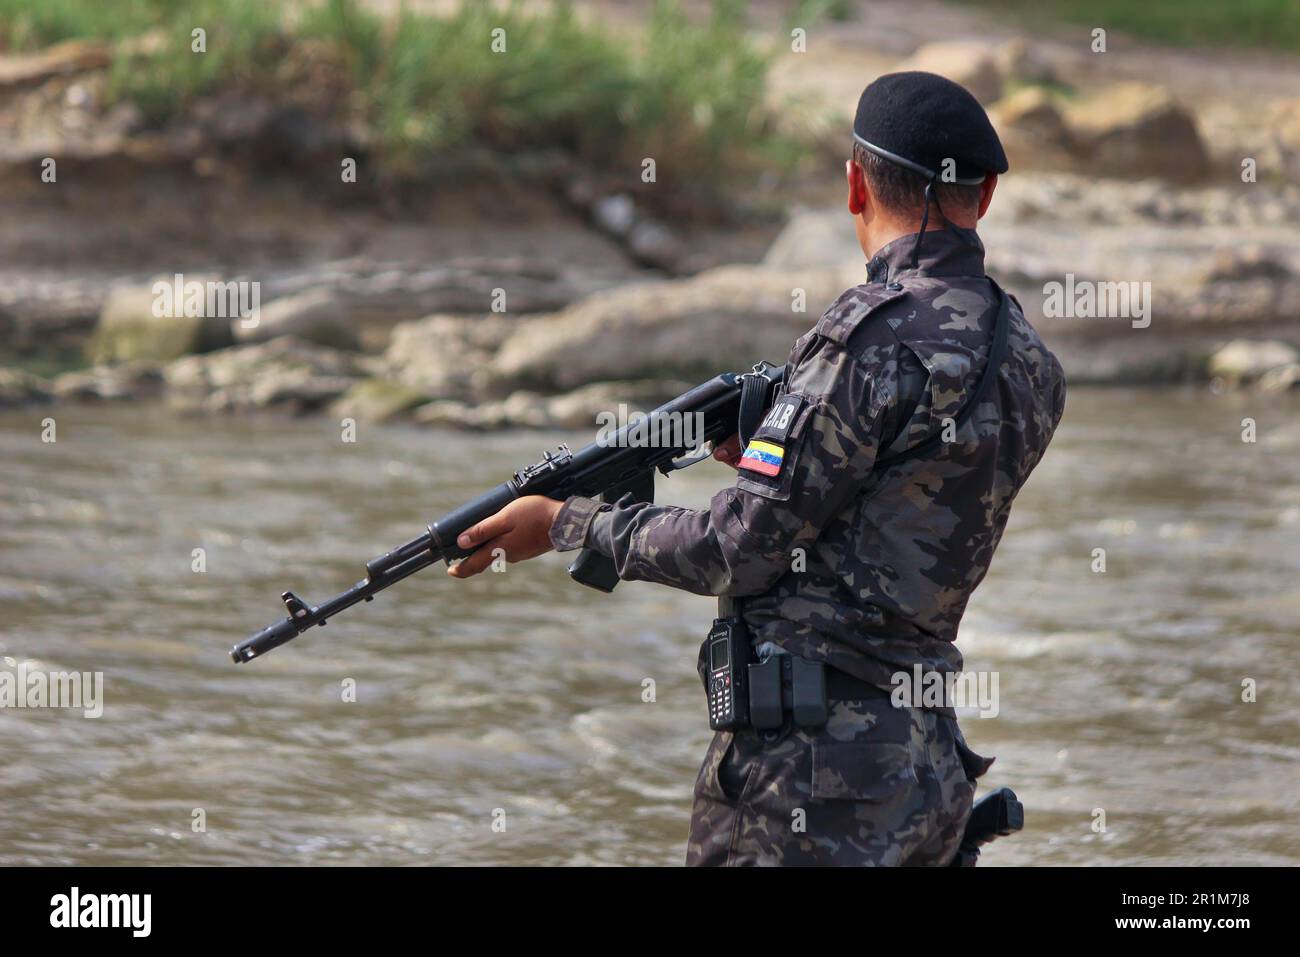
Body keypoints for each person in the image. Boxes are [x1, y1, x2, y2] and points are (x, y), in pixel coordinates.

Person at [446, 71, 1067, 866]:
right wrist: (789, 456)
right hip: (926, 769)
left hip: (807, 778)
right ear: (985, 197)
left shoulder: (868, 335)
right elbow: (910, 501)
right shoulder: (1029, 358)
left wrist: (569, 522)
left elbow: (733, 548)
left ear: (854, 185)